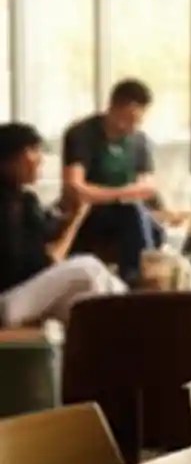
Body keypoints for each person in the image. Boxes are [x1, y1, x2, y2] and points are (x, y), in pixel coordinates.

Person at [0, 123, 126, 328]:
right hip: (7, 304)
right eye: (32, 150)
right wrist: (78, 217)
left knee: (88, 297)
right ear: (8, 160)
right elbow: (51, 260)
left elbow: (45, 235)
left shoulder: (25, 200)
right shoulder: (12, 206)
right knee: (88, 267)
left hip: (23, 297)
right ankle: (137, 314)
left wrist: (67, 214)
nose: (39, 158)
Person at [62, 78, 160, 283]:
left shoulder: (139, 141)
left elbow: (147, 187)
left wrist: (134, 195)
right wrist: (123, 194)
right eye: (127, 119)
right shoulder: (82, 134)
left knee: (157, 229)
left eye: (137, 121)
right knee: (132, 212)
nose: (131, 128)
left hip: (129, 211)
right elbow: (76, 188)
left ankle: (149, 278)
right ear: (113, 107)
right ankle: (136, 279)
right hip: (88, 213)